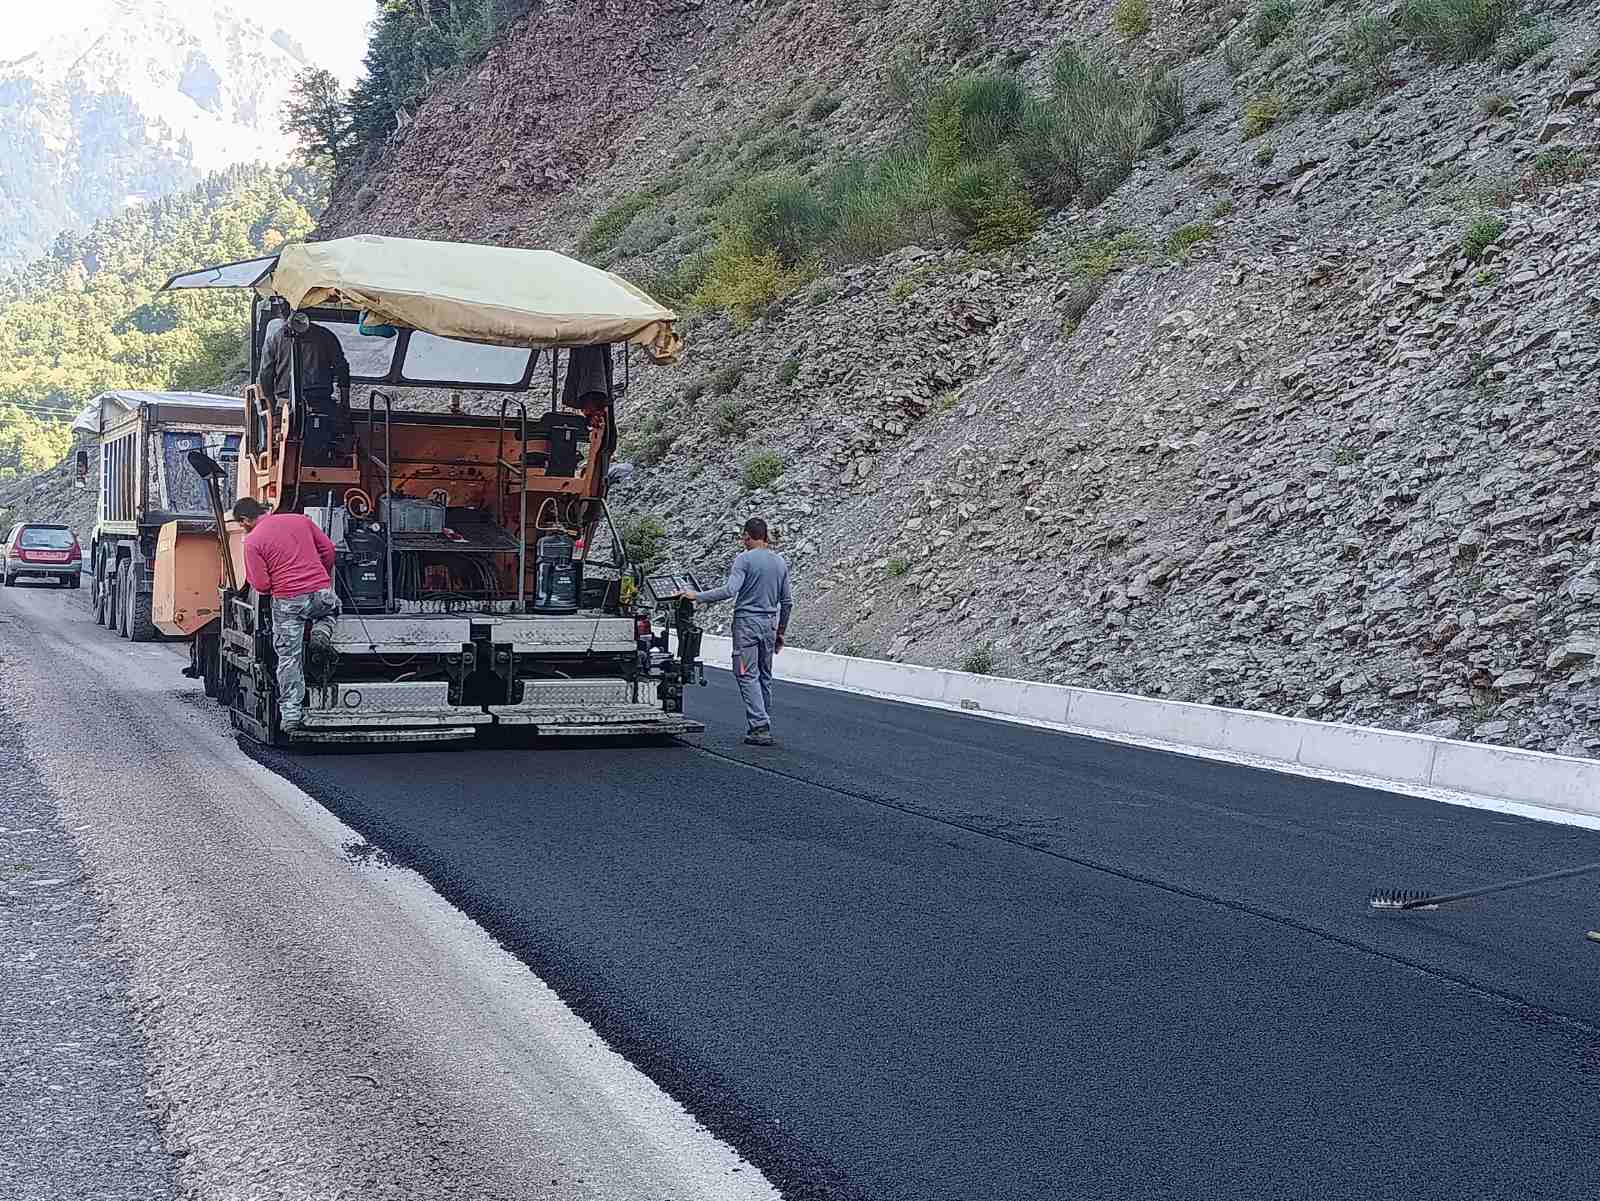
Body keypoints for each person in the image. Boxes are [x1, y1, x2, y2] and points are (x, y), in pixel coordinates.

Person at [682, 517, 792, 746]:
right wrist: (781, 631)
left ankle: (759, 726)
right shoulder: (780, 562)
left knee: (745, 674)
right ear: (766, 535)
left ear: (747, 536)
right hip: (770, 624)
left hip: (747, 625)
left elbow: (730, 590)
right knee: (764, 675)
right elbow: (787, 602)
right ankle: (763, 722)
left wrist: (697, 597)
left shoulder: (744, 559)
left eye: (743, 536)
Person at [234, 497, 340, 732]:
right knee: (331, 610)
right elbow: (329, 549)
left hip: (289, 602)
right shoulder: (301, 520)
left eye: (241, 524)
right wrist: (320, 573)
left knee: (290, 659)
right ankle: (321, 631)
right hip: (320, 593)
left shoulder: (252, 541)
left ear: (245, 520)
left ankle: (291, 716)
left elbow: (261, 584)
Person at [257, 303, 353, 466]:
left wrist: (272, 407)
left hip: (287, 404)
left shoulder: (274, 340)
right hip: (319, 403)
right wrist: (345, 402)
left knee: (277, 444)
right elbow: (342, 368)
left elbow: (265, 376)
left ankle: (273, 460)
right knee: (332, 436)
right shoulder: (326, 336)